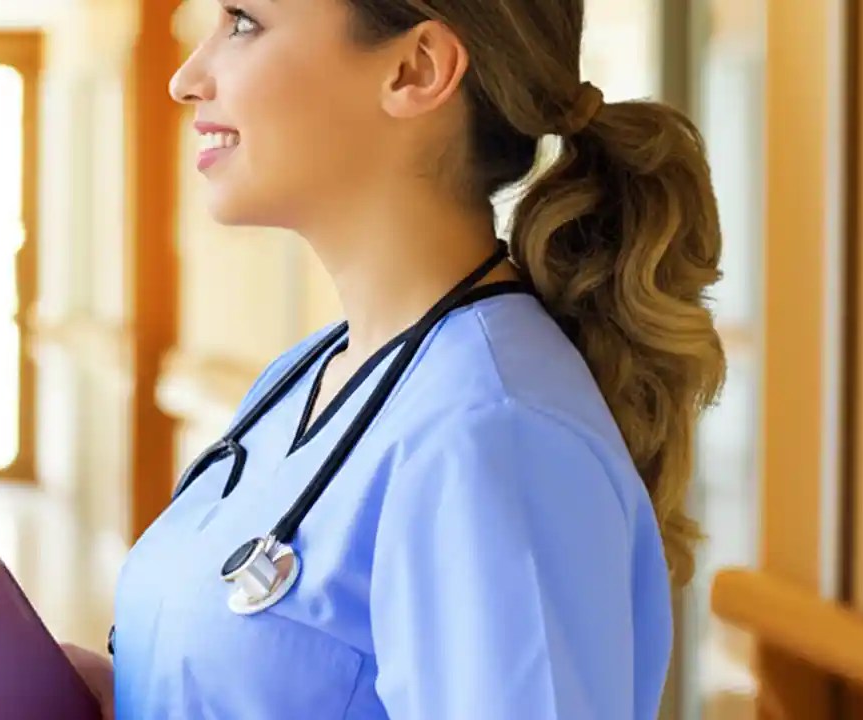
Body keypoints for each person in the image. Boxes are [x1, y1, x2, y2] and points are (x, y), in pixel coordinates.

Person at [63, 0, 726, 717]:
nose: (188, 79)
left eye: (242, 21)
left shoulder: (496, 434)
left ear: (417, 69)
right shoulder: (304, 377)